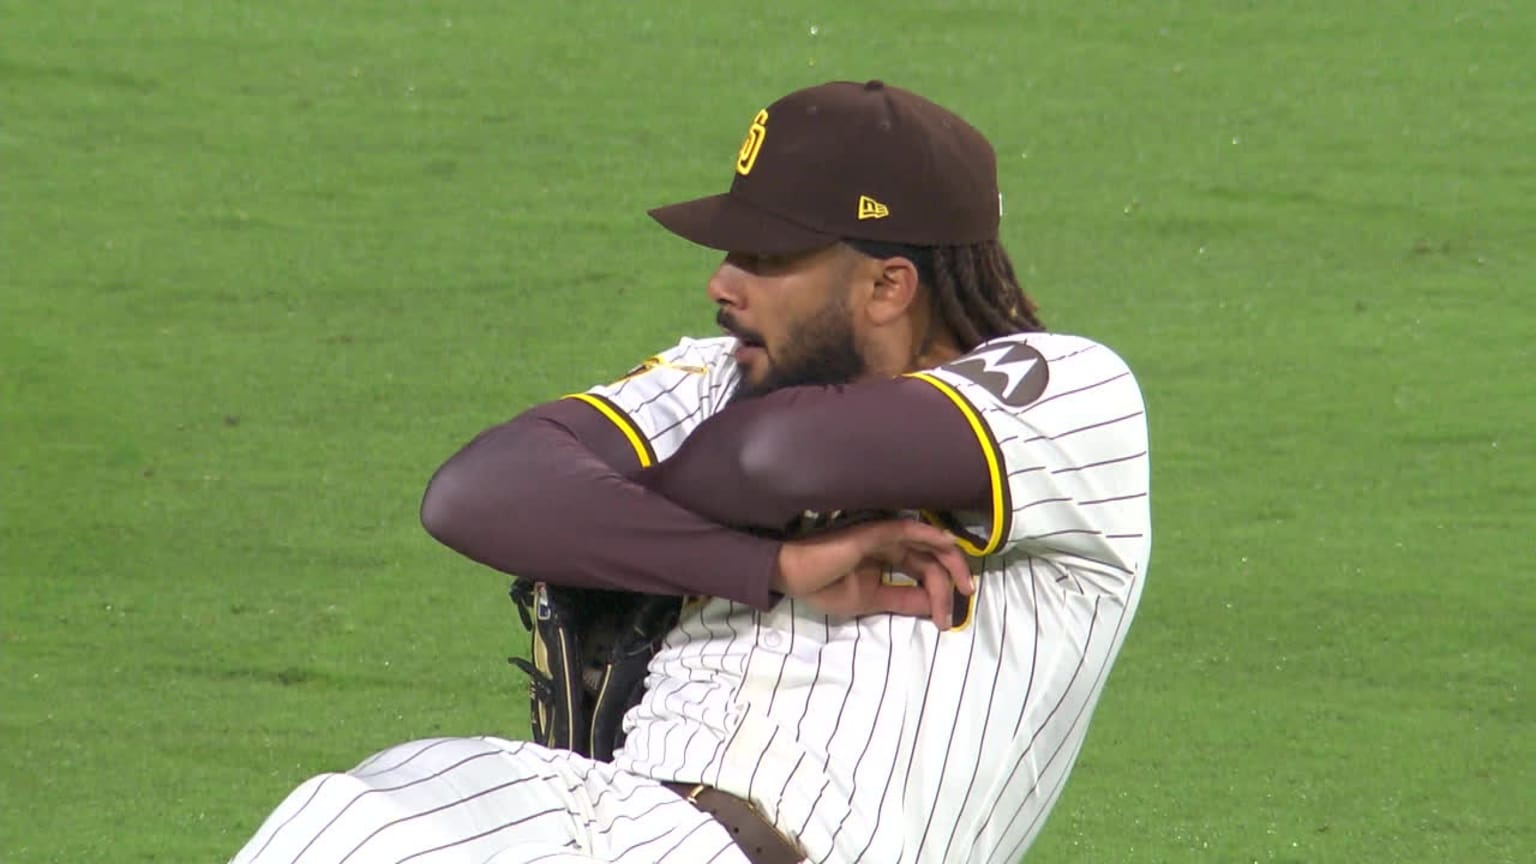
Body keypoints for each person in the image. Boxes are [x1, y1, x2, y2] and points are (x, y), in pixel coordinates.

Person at [229, 79, 1151, 864]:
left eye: (767, 256)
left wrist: (626, 515)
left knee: (360, 832)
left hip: (725, 848)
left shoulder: (1065, 396)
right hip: (606, 820)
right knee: (354, 809)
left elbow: (769, 457)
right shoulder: (729, 375)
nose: (722, 281)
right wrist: (769, 568)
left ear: (887, 285)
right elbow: (478, 493)